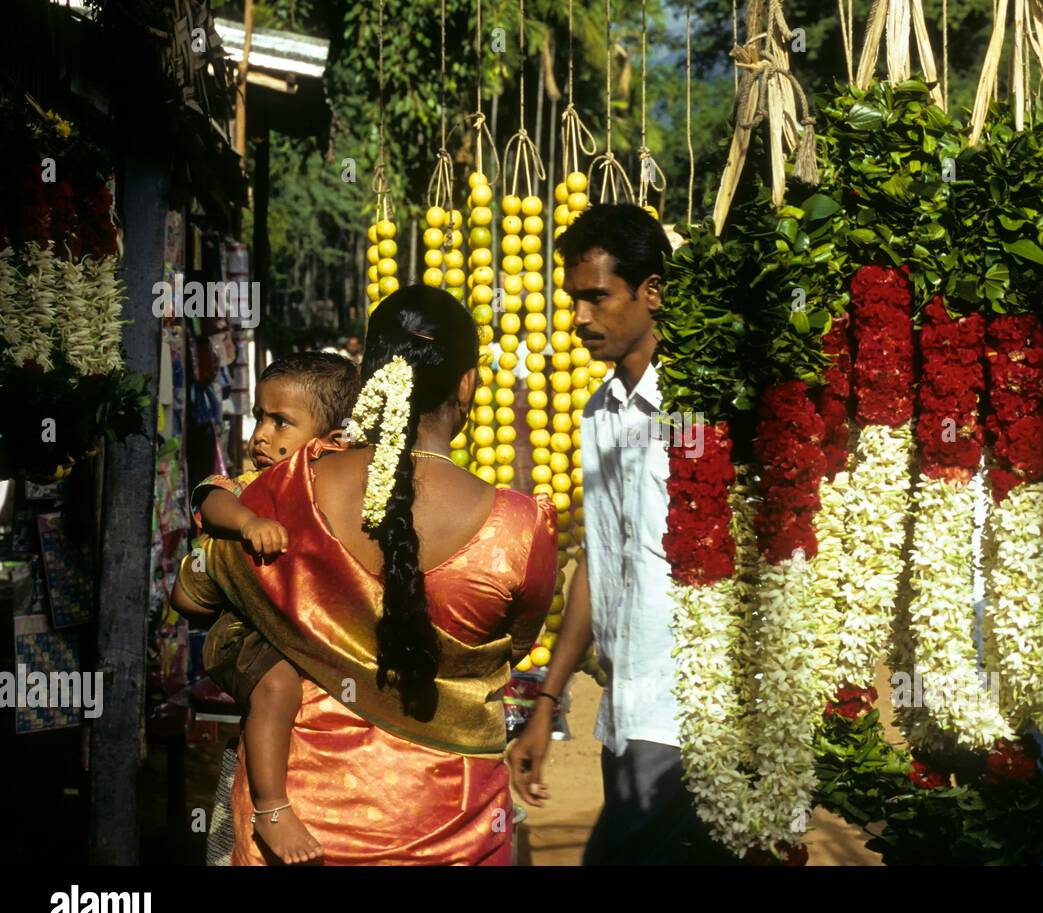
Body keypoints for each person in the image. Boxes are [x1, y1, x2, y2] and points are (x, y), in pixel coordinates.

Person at [173, 285, 557, 865]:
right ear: (467, 383)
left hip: (299, 827)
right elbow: (517, 646)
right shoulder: (520, 529)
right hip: (453, 830)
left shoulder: (286, 490)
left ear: (370, 377)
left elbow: (193, 592)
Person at [507, 204, 736, 865]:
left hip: (693, 714)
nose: (579, 317)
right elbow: (598, 561)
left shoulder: (706, 403)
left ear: (651, 292)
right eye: (573, 299)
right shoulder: (599, 413)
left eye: (596, 297)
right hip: (624, 715)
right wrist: (548, 701)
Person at [177, 351, 358, 864]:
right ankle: (271, 807)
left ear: (331, 441)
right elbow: (210, 498)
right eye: (260, 415)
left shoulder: (331, 494)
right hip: (238, 635)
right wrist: (245, 522)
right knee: (276, 687)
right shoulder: (249, 490)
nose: (261, 434)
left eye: (281, 422)